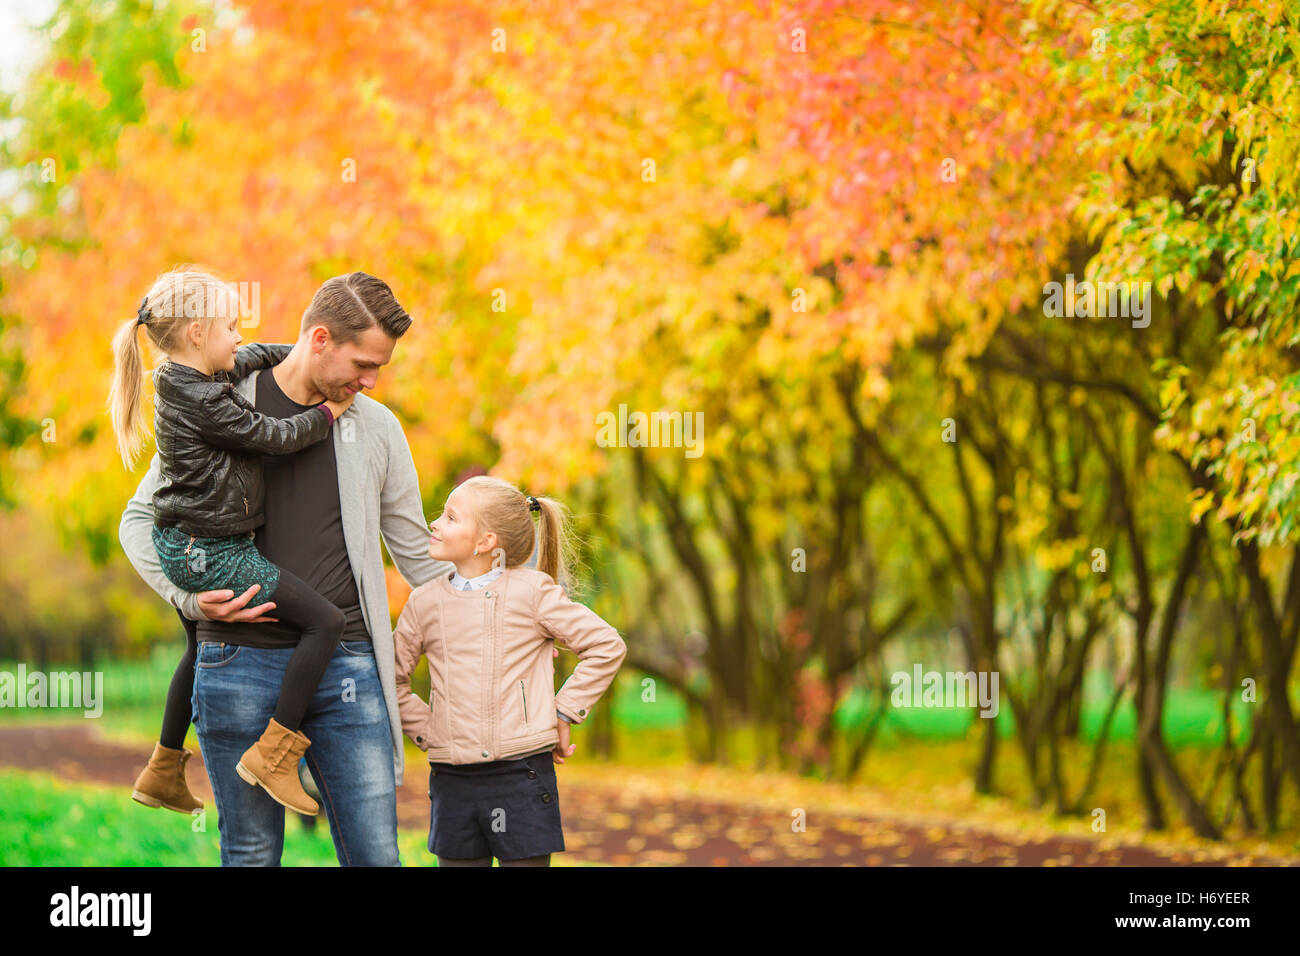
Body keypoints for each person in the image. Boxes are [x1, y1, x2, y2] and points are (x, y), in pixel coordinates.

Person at [118, 271, 452, 865]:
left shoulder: (376, 428)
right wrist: (190, 600)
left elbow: (417, 552)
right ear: (320, 339)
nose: (371, 381)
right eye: (364, 363)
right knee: (249, 855)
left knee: (377, 855)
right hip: (236, 663)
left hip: (347, 663)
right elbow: (141, 520)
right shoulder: (219, 403)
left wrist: (501, 602)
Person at [109, 268, 354, 816]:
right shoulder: (207, 402)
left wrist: (308, 358)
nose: (239, 337)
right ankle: (275, 755)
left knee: (198, 648)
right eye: (230, 326)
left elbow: (251, 356)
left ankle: (162, 768)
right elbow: (272, 435)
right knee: (326, 622)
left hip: (187, 543)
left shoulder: (189, 377)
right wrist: (326, 413)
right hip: (212, 554)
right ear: (197, 332)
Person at [393, 476, 627, 866]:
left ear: (486, 542)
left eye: (450, 517)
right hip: (452, 782)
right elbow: (393, 678)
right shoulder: (423, 603)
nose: (435, 523)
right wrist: (428, 729)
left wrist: (564, 710)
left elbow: (606, 645)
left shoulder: (533, 592)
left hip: (522, 777)